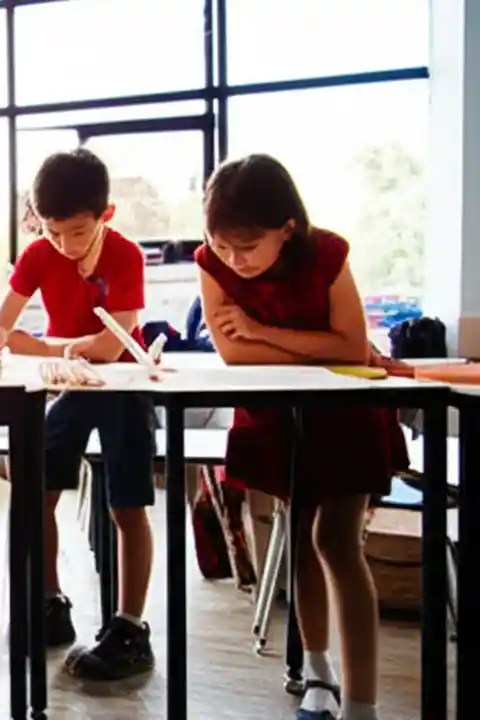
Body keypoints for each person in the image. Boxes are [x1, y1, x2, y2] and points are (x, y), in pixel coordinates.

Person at [197, 154, 405, 720]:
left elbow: (351, 348)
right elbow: (232, 353)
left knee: (335, 541)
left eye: (247, 247)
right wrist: (304, 341)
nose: (234, 262)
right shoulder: (211, 264)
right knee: (301, 533)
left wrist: (265, 331)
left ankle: (362, 704)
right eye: (222, 247)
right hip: (275, 416)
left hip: (346, 416)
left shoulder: (327, 254)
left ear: (287, 229)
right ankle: (317, 673)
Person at [0, 149, 156, 680]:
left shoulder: (125, 254)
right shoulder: (39, 255)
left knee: (126, 505)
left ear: (104, 214)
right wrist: (65, 351)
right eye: (52, 231)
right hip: (69, 386)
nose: (64, 245)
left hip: (123, 386)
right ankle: (50, 602)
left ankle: (130, 626)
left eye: (77, 232)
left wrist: (45, 345)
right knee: (34, 488)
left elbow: (113, 345)